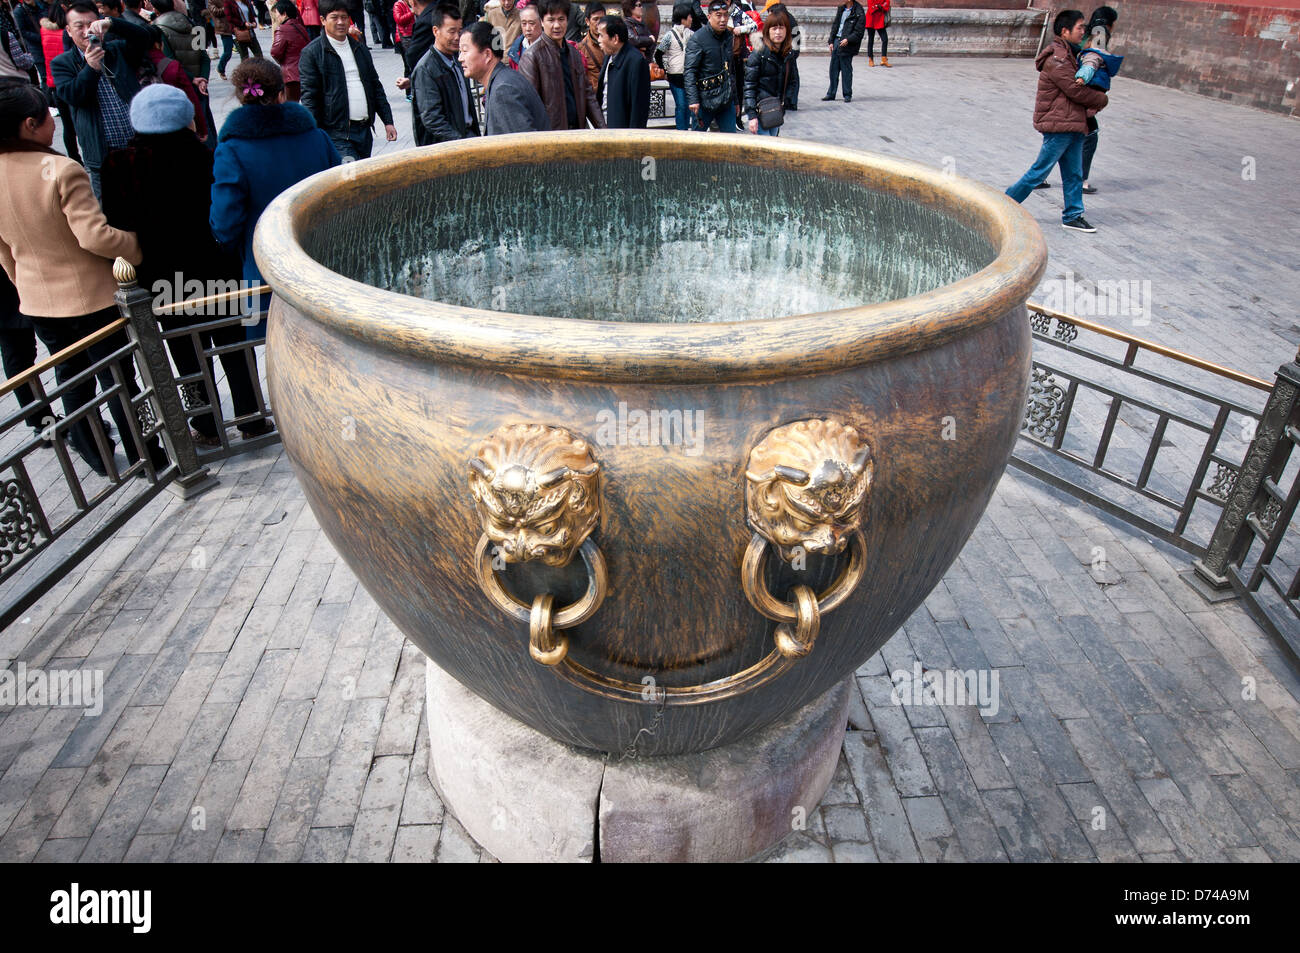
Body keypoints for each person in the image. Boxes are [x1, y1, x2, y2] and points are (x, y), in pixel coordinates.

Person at [0, 79, 169, 477]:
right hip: (91, 299)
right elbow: (94, 236)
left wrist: (25, 283)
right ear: (29, 124)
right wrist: (134, 245)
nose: (54, 124)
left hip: (38, 302)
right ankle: (148, 456)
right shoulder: (60, 169)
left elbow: (4, 254)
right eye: (47, 118)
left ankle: (99, 459)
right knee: (119, 378)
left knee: (72, 381)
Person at [100, 83, 270, 446]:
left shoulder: (119, 164)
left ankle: (206, 426)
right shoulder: (206, 155)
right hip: (214, 268)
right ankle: (253, 419)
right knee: (232, 344)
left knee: (186, 354)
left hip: (161, 277)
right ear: (186, 117)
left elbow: (115, 219)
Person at [211, 57, 339, 336]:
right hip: (321, 263)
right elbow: (340, 195)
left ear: (240, 97)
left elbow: (225, 221)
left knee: (278, 347)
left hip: (267, 270)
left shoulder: (231, 150)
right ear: (282, 93)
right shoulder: (316, 137)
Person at [1004, 9, 1107, 233]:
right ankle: (1002, 206)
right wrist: (1101, 99)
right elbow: (1075, 91)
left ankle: (1072, 215)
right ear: (1064, 31)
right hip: (1060, 124)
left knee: (1074, 174)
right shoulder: (1058, 59)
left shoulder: (1071, 54)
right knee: (1039, 172)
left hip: (1073, 123)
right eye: (1079, 27)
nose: (1083, 31)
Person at [52, 3, 154, 198]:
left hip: (138, 146)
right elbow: (73, 96)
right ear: (68, 31)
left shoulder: (116, 50)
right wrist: (91, 68)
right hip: (103, 156)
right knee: (113, 216)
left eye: (91, 24)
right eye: (79, 26)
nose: (86, 32)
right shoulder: (62, 63)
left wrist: (112, 23)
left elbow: (143, 37)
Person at [300, 0, 396, 157]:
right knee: (352, 175)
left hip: (364, 131)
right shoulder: (312, 53)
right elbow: (310, 97)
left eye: (344, 17)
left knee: (362, 177)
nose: (340, 22)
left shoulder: (359, 48)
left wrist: (388, 121)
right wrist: (312, 135)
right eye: (334, 17)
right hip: (337, 134)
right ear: (323, 20)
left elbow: (375, 86)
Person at [519, 0, 602, 129]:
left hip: (577, 130)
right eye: (551, 20)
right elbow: (528, 106)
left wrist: (603, 129)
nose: (557, 25)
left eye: (561, 19)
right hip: (551, 136)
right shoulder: (532, 56)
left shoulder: (574, 53)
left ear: (567, 20)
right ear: (541, 21)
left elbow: (588, 94)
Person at [459, 16, 542, 132]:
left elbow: (523, 146)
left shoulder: (503, 89)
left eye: (465, 51)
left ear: (487, 54)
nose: (460, 58)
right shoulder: (502, 80)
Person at [410, 2, 477, 142]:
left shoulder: (457, 60)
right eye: (451, 31)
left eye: (460, 31)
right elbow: (432, 119)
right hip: (447, 147)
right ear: (436, 31)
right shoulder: (426, 69)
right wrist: (459, 142)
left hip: (466, 137)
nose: (457, 37)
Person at [1079, 4, 1117, 194]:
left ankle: (1040, 176)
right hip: (1086, 94)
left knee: (1063, 138)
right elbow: (1093, 61)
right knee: (1089, 136)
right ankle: (1082, 180)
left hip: (1077, 93)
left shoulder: (1084, 32)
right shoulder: (1100, 35)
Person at [40, 3, 82, 161]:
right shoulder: (66, 34)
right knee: (78, 123)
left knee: (67, 126)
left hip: (53, 82)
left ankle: (74, 157)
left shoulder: (44, 31)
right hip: (69, 80)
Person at [683, 0, 733, 132]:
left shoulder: (728, 36)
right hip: (704, 99)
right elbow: (689, 71)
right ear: (709, 16)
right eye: (718, 15)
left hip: (726, 98)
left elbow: (731, 70)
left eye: (725, 15)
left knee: (732, 141)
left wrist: (736, 101)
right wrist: (693, 99)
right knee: (697, 143)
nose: (723, 19)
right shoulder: (698, 38)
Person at [743, 8, 792, 135]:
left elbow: (790, 82)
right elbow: (749, 86)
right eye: (774, 28)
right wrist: (752, 116)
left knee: (773, 146)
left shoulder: (786, 54)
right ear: (767, 31)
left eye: (781, 28)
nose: (778, 32)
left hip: (775, 110)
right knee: (764, 151)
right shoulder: (759, 53)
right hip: (760, 112)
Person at [597, 14, 645, 128]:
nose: (598, 40)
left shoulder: (636, 62)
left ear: (615, 39)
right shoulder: (609, 56)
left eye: (601, 35)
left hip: (622, 133)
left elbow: (638, 110)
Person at [653, 1, 690, 128]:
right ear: (683, 18)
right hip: (674, 75)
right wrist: (664, 70)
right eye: (689, 16)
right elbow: (658, 54)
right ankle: (681, 131)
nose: (691, 19)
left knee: (688, 106)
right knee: (681, 105)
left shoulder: (690, 34)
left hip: (688, 75)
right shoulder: (669, 35)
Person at [822, 0, 862, 102]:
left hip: (847, 44)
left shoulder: (858, 11)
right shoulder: (841, 9)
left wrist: (848, 39)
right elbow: (835, 25)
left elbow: (859, 31)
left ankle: (847, 94)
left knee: (846, 69)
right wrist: (831, 41)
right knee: (833, 69)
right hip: (837, 41)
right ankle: (831, 93)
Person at [270, 0, 310, 99]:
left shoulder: (282, 29)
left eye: (277, 13)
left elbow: (275, 52)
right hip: (305, 70)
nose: (276, 17)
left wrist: (282, 62)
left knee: (291, 105)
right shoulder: (300, 27)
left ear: (284, 14)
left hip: (291, 74)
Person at [577, 0, 600, 91]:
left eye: (602, 19)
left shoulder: (613, 42)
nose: (599, 23)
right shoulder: (581, 47)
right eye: (595, 19)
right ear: (587, 21)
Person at [506, 0, 536, 68]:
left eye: (531, 23)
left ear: (541, 22)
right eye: (524, 24)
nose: (528, 28)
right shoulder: (515, 50)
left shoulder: (550, 48)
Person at [864, 0, 887, 67]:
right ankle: (870, 59)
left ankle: (884, 59)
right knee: (871, 40)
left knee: (885, 39)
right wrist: (879, 6)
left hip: (880, 19)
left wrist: (878, 6)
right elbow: (871, 7)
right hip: (871, 19)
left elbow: (886, 3)